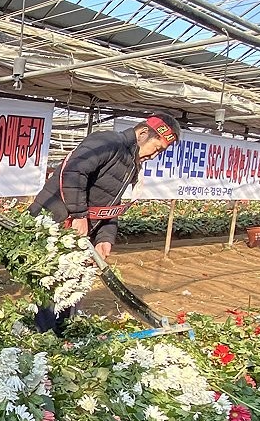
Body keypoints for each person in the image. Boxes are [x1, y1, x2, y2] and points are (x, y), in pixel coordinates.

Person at [26, 112, 181, 333]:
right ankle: (43, 336)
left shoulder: (130, 163)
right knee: (51, 281)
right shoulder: (107, 142)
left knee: (72, 285)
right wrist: (79, 215)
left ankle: (60, 332)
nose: (155, 156)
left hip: (77, 233)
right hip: (54, 221)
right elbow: (73, 171)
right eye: (157, 149)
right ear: (143, 133)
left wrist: (105, 237)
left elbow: (110, 204)